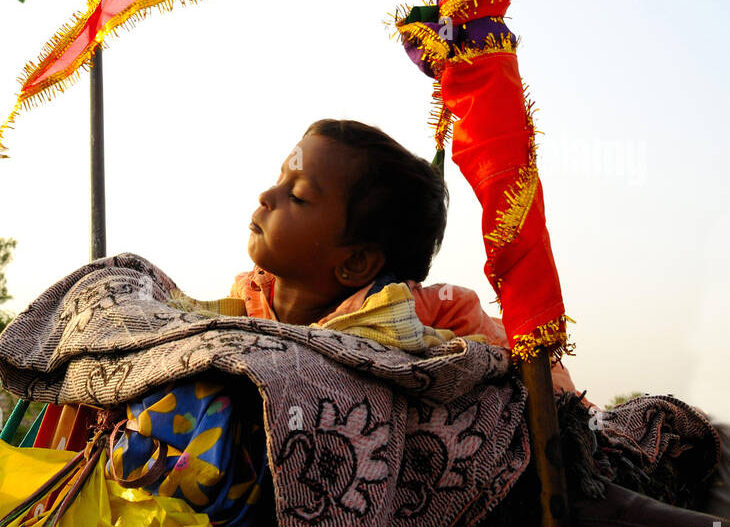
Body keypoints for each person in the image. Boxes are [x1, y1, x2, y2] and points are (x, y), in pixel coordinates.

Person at [229, 118, 586, 399]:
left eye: (299, 195)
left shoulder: (428, 312)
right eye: (279, 180)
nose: (266, 195)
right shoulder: (246, 296)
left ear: (356, 262)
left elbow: (526, 370)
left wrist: (570, 418)